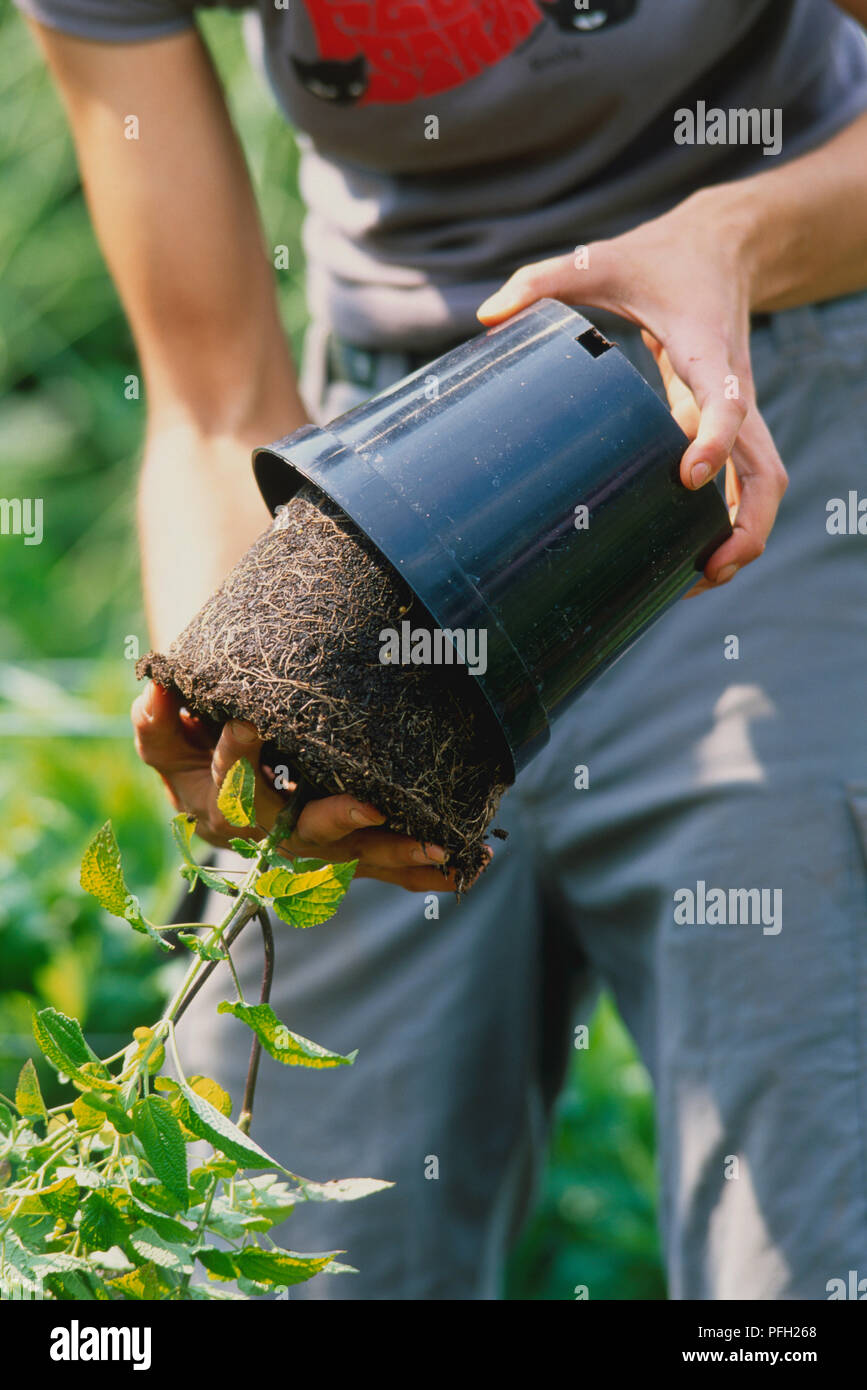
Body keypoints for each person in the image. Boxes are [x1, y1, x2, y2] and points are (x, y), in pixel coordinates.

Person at [17, 0, 867, 1299]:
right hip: (387, 461)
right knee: (276, 1250)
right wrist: (236, 698)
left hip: (753, 423)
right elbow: (208, 394)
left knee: (806, 1247)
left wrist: (730, 239)